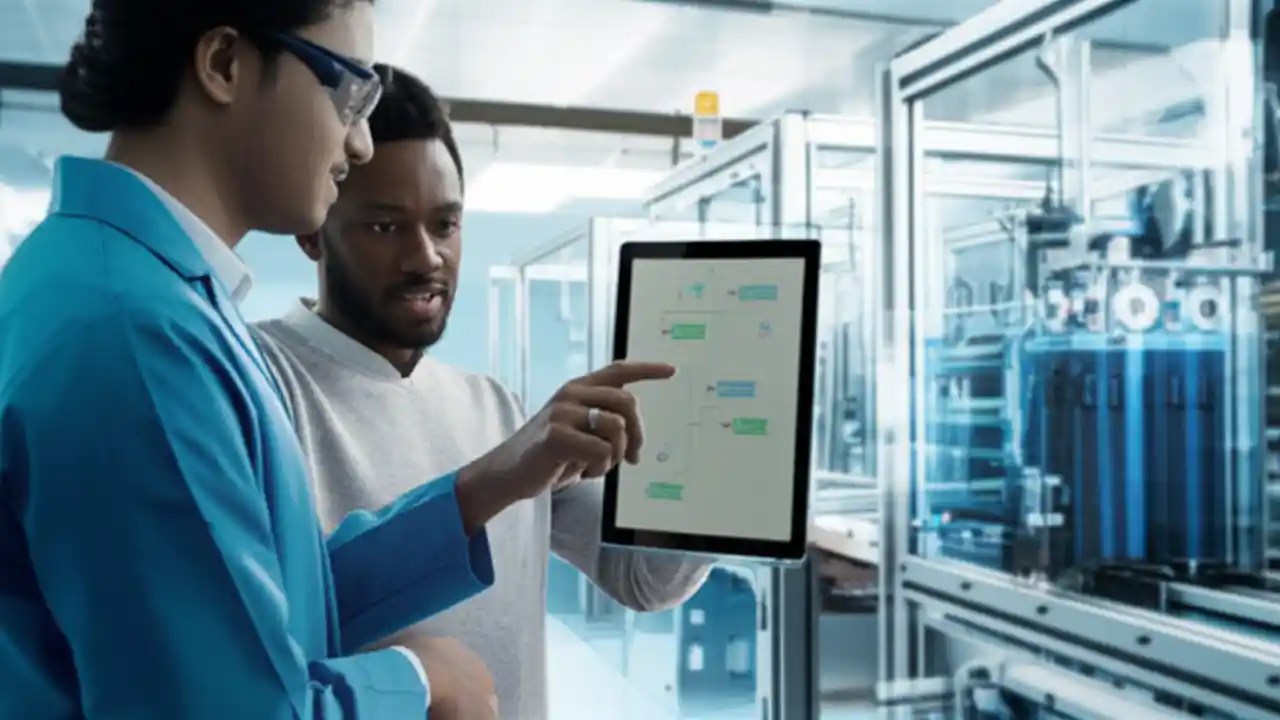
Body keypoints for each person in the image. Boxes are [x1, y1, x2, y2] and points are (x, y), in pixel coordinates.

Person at [0, 3, 671, 719]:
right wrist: (418, 681)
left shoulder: (130, 289)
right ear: (225, 65)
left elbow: (277, 609)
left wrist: (485, 485)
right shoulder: (137, 335)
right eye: (348, 91)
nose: (356, 142)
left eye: (446, 222)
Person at [252, 64, 712, 720]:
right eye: (386, 227)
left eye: (444, 225)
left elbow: (641, 578)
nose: (426, 257)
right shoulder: (258, 386)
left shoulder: (497, 409)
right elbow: (255, 642)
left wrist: (731, 454)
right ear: (312, 228)